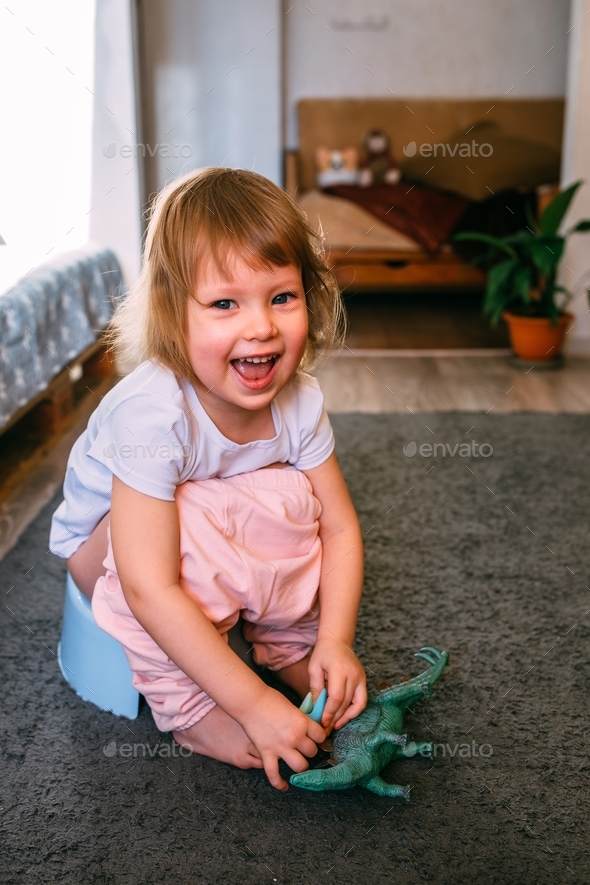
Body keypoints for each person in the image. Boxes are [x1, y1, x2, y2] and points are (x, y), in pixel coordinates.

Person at [49, 167, 367, 791]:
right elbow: (149, 588)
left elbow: (341, 527)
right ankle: (190, 707)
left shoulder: (299, 400)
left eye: (282, 297)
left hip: (207, 527)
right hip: (111, 557)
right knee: (196, 511)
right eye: (225, 303)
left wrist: (336, 639)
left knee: (296, 496)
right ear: (173, 313)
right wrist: (251, 705)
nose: (261, 328)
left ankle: (286, 643)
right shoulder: (152, 415)